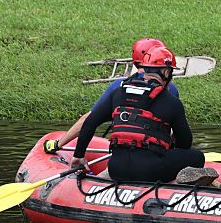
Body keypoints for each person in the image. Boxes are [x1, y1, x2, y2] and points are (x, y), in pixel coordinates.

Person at [71, 46, 204, 183]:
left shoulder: (118, 93)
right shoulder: (171, 102)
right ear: (166, 72)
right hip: (150, 172)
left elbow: (90, 122)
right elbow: (185, 144)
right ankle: (174, 185)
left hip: (116, 169)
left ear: (145, 69)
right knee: (197, 156)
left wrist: (79, 155)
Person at [44, 37, 179, 154]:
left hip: (123, 156)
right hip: (157, 154)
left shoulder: (120, 86)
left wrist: (58, 144)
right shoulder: (171, 88)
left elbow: (89, 120)